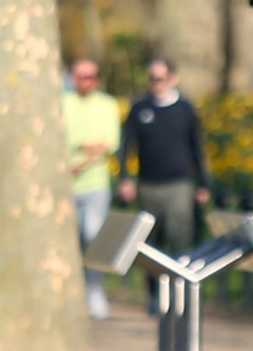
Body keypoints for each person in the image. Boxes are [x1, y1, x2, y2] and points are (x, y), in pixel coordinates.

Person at [115, 57, 211, 313]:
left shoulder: (186, 109)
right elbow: (126, 147)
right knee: (150, 246)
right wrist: (125, 177)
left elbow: (197, 148)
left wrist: (204, 184)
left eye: (159, 78)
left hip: (178, 184)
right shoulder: (140, 109)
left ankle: (183, 298)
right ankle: (155, 298)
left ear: (172, 79)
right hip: (148, 185)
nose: (155, 84)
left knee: (180, 240)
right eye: (152, 78)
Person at [63, 58, 122, 319]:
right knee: (68, 242)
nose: (85, 81)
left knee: (93, 236)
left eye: (90, 76)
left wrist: (80, 159)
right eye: (80, 76)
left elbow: (109, 142)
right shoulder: (62, 103)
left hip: (95, 185)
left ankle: (95, 290)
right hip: (63, 186)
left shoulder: (107, 105)